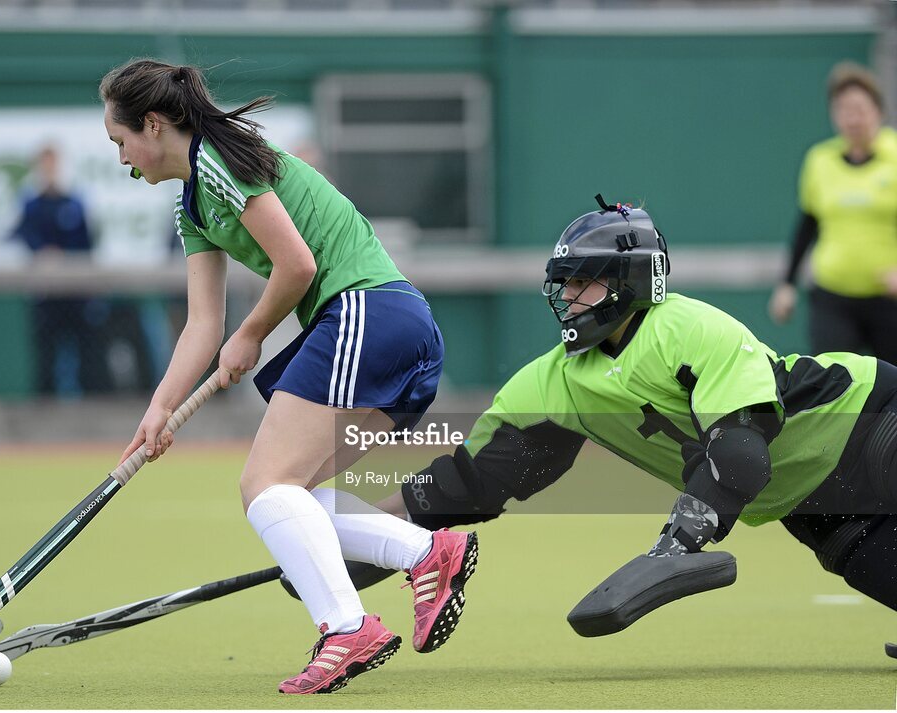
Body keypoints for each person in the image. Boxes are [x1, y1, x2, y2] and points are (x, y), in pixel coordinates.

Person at [334, 196, 897, 656]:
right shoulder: (554, 380)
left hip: (870, 419)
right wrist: (353, 540)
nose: (570, 297)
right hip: (811, 504)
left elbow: (742, 458)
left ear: (628, 279)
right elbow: (468, 482)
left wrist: (676, 544)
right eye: (565, 283)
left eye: (584, 281)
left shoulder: (689, 327)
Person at [99, 59, 476, 694]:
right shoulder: (193, 205)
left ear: (155, 125)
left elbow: (296, 266)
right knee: (296, 492)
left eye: (120, 141)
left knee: (264, 486)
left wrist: (250, 335)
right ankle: (428, 555)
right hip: (390, 326)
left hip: (366, 311)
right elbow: (200, 325)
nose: (121, 159)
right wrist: (159, 409)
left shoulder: (218, 162)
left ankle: (345, 627)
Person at [769, 61, 897, 362]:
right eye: (844, 109)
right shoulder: (819, 160)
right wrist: (786, 284)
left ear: (878, 111)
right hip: (833, 296)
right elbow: (807, 224)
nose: (853, 119)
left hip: (888, 300)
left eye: (860, 109)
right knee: (833, 386)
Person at [12, 146, 110, 396]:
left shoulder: (74, 203)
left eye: (53, 164)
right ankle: (45, 410)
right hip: (45, 294)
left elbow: (86, 243)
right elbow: (26, 238)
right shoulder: (31, 206)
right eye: (44, 165)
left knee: (87, 355)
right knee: (46, 356)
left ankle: (90, 406)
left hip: (75, 293)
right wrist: (44, 255)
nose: (49, 171)